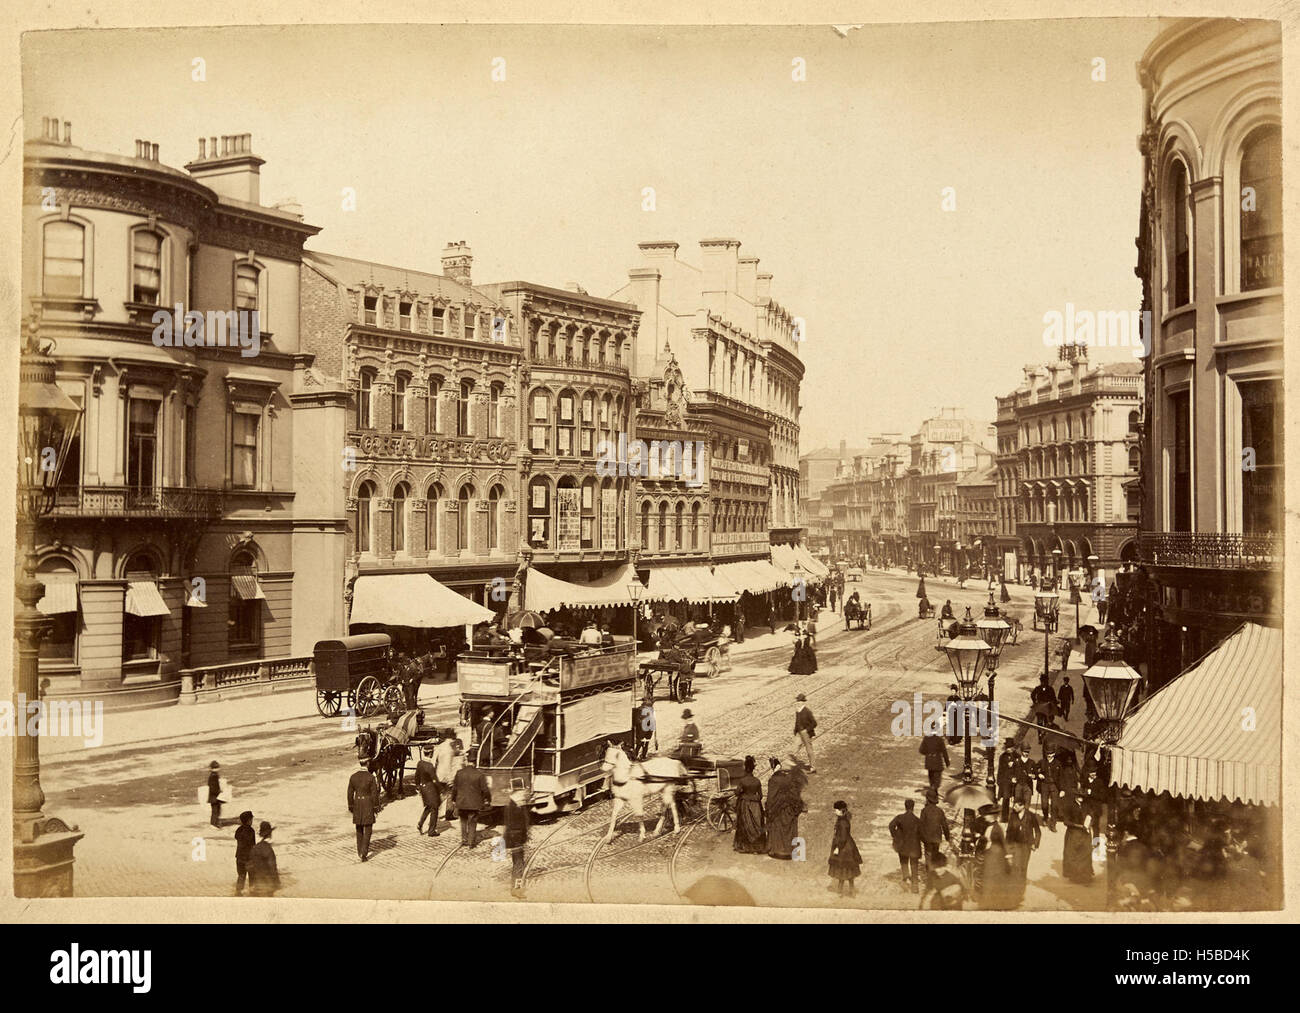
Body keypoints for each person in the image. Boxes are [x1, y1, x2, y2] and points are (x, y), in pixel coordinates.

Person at [972, 804, 1019, 910]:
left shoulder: (997, 828)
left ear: (992, 816)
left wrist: (1008, 857)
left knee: (992, 879)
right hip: (989, 854)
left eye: (987, 815)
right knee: (988, 877)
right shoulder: (988, 826)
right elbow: (987, 839)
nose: (985, 817)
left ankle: (993, 902)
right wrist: (980, 837)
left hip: (996, 856)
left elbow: (1004, 842)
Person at [765, 758, 806, 860]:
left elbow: (771, 797)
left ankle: (778, 850)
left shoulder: (773, 780)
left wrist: (768, 809)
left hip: (779, 808)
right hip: (790, 808)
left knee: (778, 828)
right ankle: (790, 851)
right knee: (789, 828)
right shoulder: (788, 777)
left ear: (773, 768)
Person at [452, 753, 491, 848]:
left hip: (461, 802)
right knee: (472, 821)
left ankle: (464, 839)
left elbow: (454, 788)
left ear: (467, 761)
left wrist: (454, 799)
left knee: (463, 821)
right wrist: (488, 799)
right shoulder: (480, 774)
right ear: (475, 762)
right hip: (474, 803)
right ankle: (471, 842)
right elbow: (485, 790)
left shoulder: (459, 773)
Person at [347, 759, 380, 861]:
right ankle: (364, 853)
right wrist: (376, 808)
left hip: (357, 804)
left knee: (359, 828)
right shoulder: (371, 777)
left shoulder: (353, 777)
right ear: (368, 764)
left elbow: (349, 794)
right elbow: (375, 794)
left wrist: (351, 806)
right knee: (368, 828)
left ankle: (359, 851)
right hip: (368, 804)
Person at [732, 755, 766, 854]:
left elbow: (737, 793)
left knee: (744, 824)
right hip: (756, 806)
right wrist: (754, 799)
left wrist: (743, 795)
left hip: (745, 805)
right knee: (756, 824)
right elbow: (760, 796)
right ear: (753, 769)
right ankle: (757, 848)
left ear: (746, 769)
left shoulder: (742, 781)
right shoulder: (757, 781)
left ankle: (745, 847)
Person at [828, 800, 862, 896]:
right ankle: (850, 890)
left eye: (836, 810)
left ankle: (841, 891)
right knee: (848, 869)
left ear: (840, 810)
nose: (835, 811)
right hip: (848, 846)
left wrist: (838, 848)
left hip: (844, 848)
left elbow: (842, 837)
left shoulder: (842, 822)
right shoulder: (843, 819)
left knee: (842, 868)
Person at [888, 799, 923, 892]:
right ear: (913, 807)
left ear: (905, 806)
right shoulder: (917, 820)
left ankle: (905, 881)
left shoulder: (900, 817)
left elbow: (891, 825)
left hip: (902, 845)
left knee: (904, 862)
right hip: (914, 846)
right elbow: (922, 833)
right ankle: (915, 886)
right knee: (914, 864)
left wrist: (895, 835)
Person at [1060, 792, 1094, 884]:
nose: (1081, 798)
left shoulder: (1086, 805)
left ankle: (1086, 875)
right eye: (1079, 796)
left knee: (1086, 852)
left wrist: (1089, 823)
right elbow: (1066, 822)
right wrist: (1079, 826)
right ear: (1075, 797)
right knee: (1072, 854)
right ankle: (1075, 875)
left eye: (1083, 796)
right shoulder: (1069, 806)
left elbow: (1091, 815)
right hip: (1073, 832)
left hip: (1085, 833)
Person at [1006, 799, 1042, 881]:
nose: (1014, 807)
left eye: (1016, 806)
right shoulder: (1012, 815)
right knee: (1016, 864)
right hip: (1015, 844)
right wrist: (1007, 845)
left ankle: (1021, 882)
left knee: (1024, 865)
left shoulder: (1031, 816)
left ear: (1022, 806)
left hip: (1027, 845)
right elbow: (1009, 831)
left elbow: (1038, 831)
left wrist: (1035, 844)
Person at [504, 786, 530, 898]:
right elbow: (516, 825)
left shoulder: (512, 805)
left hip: (515, 838)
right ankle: (516, 889)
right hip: (516, 840)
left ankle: (516, 888)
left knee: (518, 865)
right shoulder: (515, 807)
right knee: (518, 866)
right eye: (522, 795)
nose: (524, 797)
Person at [919, 788, 951, 872]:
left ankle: (930, 874)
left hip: (927, 838)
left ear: (927, 800)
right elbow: (945, 825)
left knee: (928, 855)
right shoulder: (940, 811)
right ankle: (934, 872)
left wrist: (921, 837)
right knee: (935, 854)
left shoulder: (924, 811)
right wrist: (947, 837)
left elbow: (921, 825)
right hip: (937, 838)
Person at [247, 821, 280, 897]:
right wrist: (277, 883)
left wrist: (251, 884)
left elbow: (249, 866)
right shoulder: (268, 849)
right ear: (270, 834)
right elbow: (273, 868)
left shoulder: (255, 847)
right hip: (267, 885)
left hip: (257, 884)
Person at [414, 743, 441, 837]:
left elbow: (416, 776)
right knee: (435, 808)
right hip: (430, 789)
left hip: (423, 788)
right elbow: (435, 780)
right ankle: (431, 830)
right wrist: (440, 789)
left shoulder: (420, 763)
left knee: (428, 807)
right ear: (430, 753)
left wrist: (418, 786)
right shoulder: (429, 766)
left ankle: (420, 824)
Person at [793, 694, 817, 772]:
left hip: (806, 733)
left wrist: (807, 730)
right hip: (799, 733)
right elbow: (797, 722)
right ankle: (792, 767)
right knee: (794, 749)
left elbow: (814, 723)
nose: (798, 702)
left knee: (809, 750)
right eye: (797, 701)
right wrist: (795, 730)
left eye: (800, 701)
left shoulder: (807, 711)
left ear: (803, 702)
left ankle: (813, 767)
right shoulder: (798, 711)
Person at [233, 810, 255, 895]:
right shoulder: (251, 831)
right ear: (248, 820)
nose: (252, 821)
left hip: (239, 857)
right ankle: (252, 893)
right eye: (251, 819)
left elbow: (236, 837)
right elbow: (253, 845)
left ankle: (238, 892)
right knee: (252, 877)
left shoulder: (239, 830)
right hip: (248, 858)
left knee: (241, 876)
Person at [207, 760, 223, 828]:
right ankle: (213, 824)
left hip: (214, 796)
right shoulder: (214, 776)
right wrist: (219, 791)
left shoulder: (213, 775)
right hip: (214, 796)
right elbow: (213, 787)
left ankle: (215, 822)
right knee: (215, 811)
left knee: (216, 810)